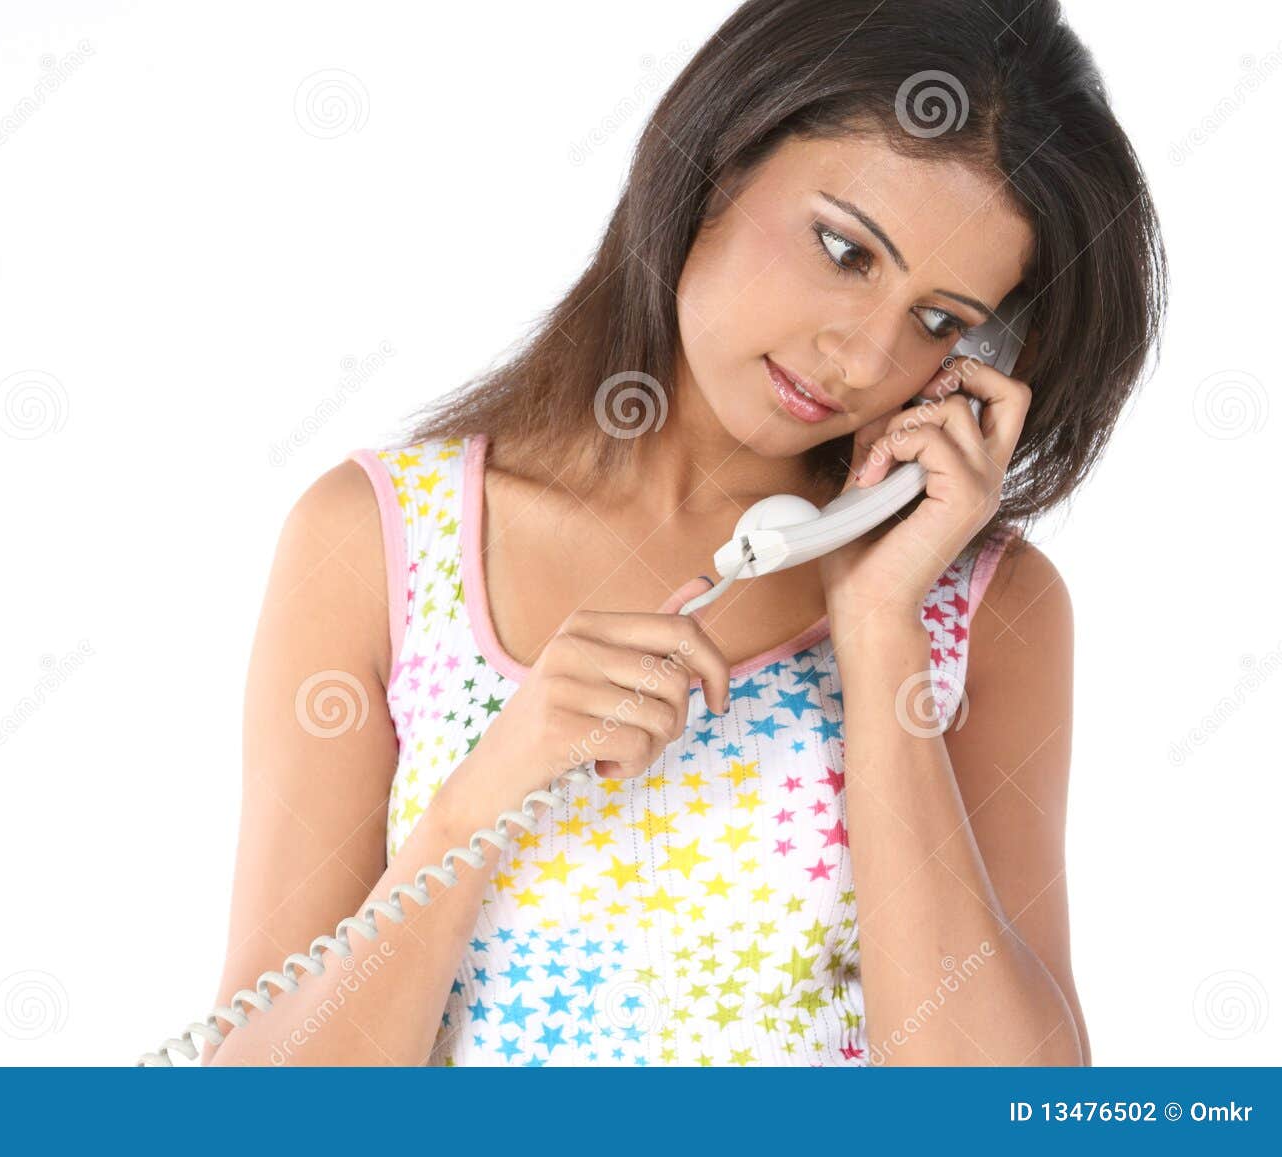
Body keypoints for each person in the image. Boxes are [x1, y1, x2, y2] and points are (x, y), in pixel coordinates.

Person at [196, 0, 1165, 1067]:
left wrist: (881, 628)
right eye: (844, 251)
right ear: (715, 157)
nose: (859, 355)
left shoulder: (981, 607)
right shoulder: (381, 539)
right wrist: (477, 800)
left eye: (936, 321)